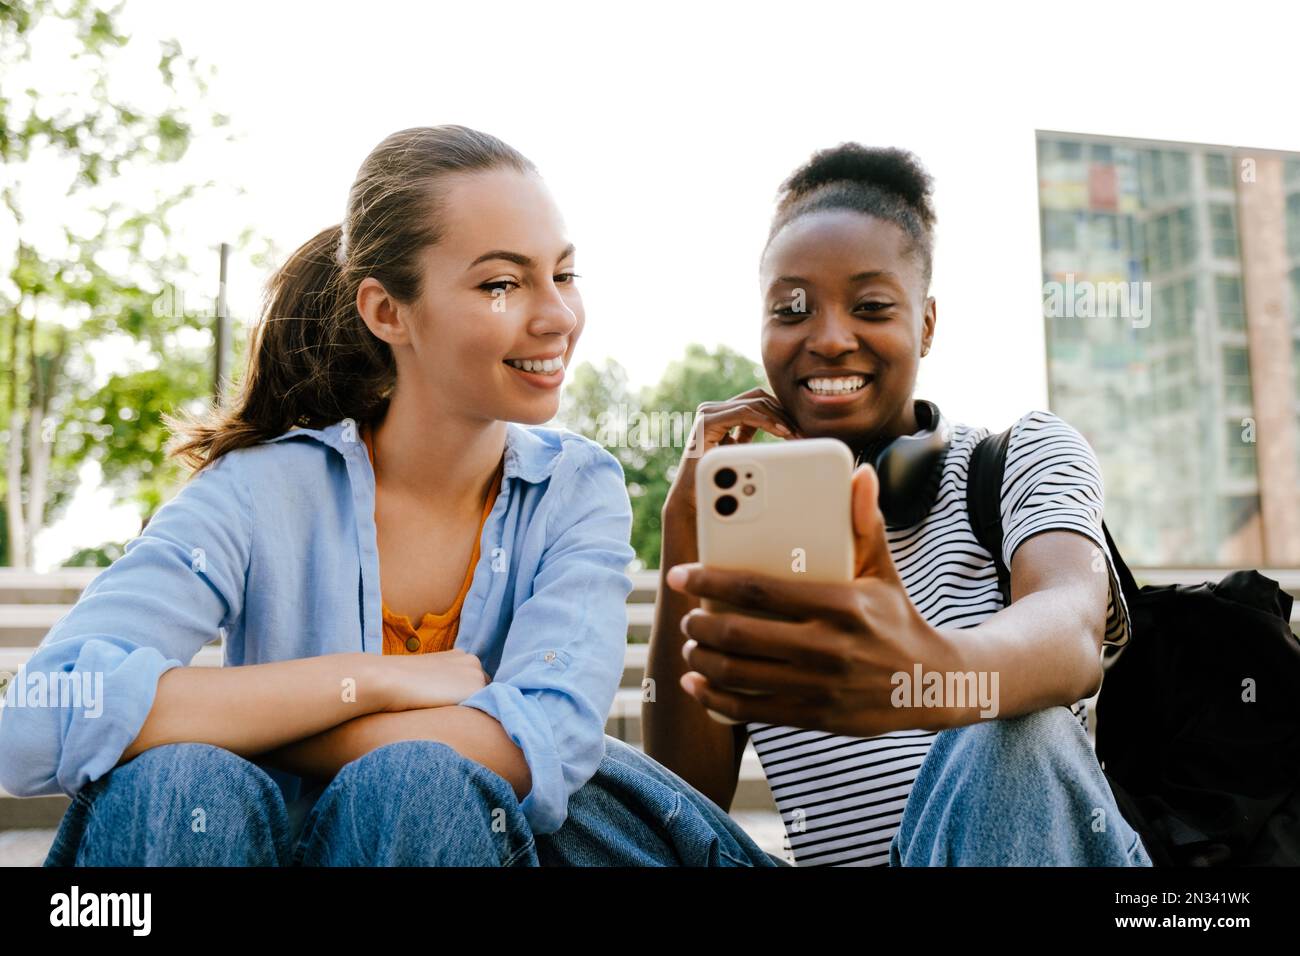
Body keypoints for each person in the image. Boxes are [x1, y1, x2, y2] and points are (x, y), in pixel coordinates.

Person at [0, 124, 777, 867]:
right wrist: (376, 678)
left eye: (564, 274)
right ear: (386, 311)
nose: (557, 316)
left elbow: (545, 743)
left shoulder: (576, 489)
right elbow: (35, 717)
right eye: (503, 283)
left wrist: (249, 722)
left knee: (416, 785)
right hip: (240, 843)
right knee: (178, 783)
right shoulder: (261, 488)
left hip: (448, 843)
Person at [644, 143, 1154, 866]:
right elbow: (678, 806)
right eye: (792, 307)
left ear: (927, 324)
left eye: (871, 306)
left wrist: (916, 673)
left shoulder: (1021, 458)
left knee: (1011, 729)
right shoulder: (748, 531)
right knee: (590, 786)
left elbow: (1072, 635)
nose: (827, 337)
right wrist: (683, 540)